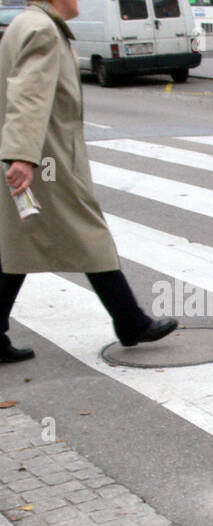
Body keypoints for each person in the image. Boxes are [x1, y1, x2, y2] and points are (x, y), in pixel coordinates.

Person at [0, 0, 176, 362]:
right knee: (87, 232)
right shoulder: (42, 30)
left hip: (36, 155)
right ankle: (131, 321)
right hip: (46, 159)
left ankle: (130, 320)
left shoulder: (26, 24)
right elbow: (28, 95)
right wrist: (23, 155)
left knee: (21, 241)